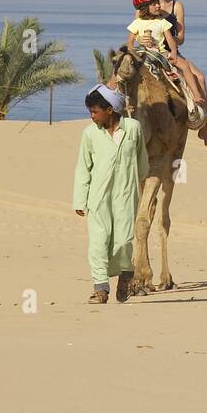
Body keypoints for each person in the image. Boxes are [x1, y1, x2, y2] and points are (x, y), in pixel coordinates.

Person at [73, 84, 149, 305]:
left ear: (109, 110)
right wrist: (80, 199)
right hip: (97, 197)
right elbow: (83, 167)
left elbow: (141, 160)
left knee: (123, 241)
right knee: (98, 242)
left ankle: (126, 276)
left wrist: (138, 181)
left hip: (126, 195)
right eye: (91, 112)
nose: (92, 117)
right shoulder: (89, 134)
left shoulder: (133, 128)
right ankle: (100, 288)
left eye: (95, 112)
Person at [148, 0, 207, 149]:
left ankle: (204, 127)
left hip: (172, 51)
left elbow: (182, 38)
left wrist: (169, 38)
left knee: (200, 77)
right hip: (151, 50)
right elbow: (136, 28)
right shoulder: (146, 2)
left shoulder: (177, 6)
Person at [127, 0, 204, 106]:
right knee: (121, 68)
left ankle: (196, 94)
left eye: (158, 3)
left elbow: (170, 40)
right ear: (144, 7)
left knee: (184, 66)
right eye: (154, 4)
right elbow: (130, 43)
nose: (158, 6)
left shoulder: (162, 22)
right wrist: (137, 43)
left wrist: (173, 52)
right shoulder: (137, 22)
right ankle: (115, 92)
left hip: (161, 53)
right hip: (143, 53)